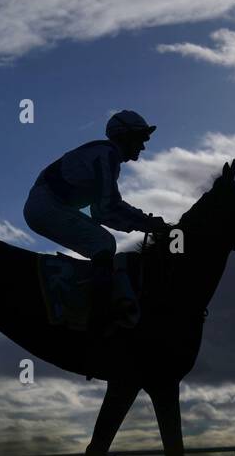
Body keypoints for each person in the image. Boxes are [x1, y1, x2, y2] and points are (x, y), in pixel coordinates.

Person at [24, 110, 170, 334]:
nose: (143, 146)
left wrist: (143, 223)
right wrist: (148, 224)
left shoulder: (103, 154)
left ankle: (87, 297)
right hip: (46, 206)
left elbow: (100, 212)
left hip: (45, 205)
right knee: (103, 243)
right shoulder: (107, 154)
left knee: (101, 242)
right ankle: (98, 313)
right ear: (125, 136)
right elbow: (107, 208)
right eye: (141, 138)